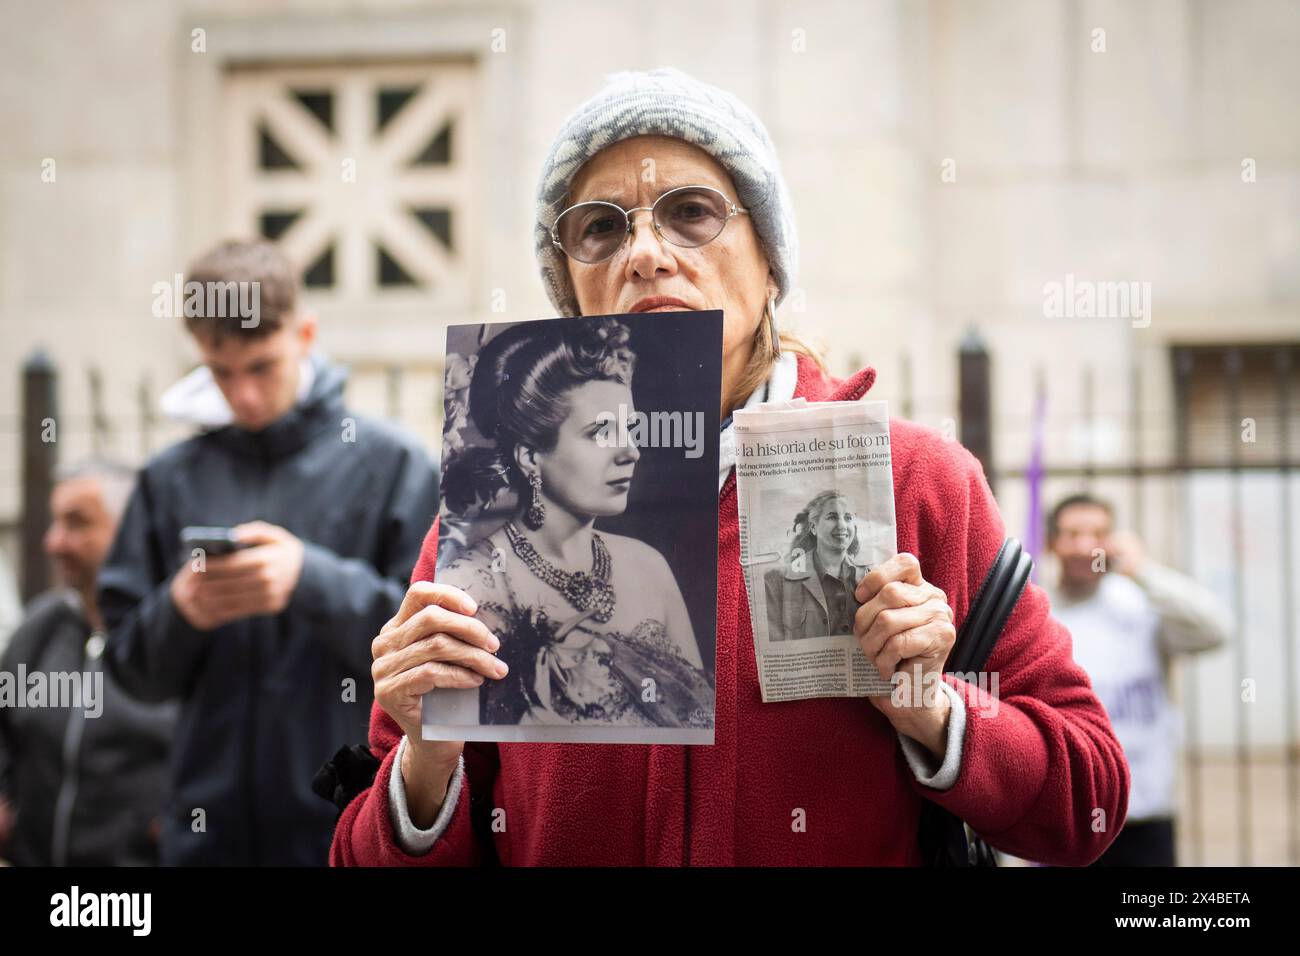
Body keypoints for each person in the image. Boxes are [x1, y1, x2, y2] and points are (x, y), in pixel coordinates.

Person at [333, 67, 1129, 866]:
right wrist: (423, 764)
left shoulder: (918, 481)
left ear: (771, 262)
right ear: (570, 287)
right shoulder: (481, 533)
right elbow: (360, 850)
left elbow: (1088, 806)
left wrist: (931, 708)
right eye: (600, 229)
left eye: (690, 213)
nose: (645, 254)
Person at [99, 239, 440, 865]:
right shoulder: (168, 478)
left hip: (343, 823)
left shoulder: (393, 465)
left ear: (305, 334)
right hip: (206, 835)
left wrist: (308, 579)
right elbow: (127, 672)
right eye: (222, 373)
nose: (244, 395)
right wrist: (179, 612)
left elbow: (436, 642)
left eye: (261, 367)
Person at [437, 317, 711, 728]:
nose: (630, 452)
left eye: (630, 430)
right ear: (530, 456)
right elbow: (450, 755)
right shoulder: (468, 585)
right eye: (602, 432)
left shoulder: (648, 566)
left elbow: (701, 719)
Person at [0, 461, 175, 866]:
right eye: (55, 522)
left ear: (131, 529)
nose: (54, 542)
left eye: (77, 523)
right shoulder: (41, 627)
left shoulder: (174, 636)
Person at [1044, 492, 1231, 866]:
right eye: (1072, 533)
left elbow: (1216, 629)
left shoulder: (1140, 603)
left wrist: (1143, 570)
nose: (1085, 545)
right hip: (1068, 819)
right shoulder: (1040, 615)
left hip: (1145, 814)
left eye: (1098, 532)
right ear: (1052, 544)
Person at [764, 490, 869, 641]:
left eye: (848, 518)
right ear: (813, 527)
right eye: (832, 517)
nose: (842, 525)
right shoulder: (776, 581)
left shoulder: (869, 576)